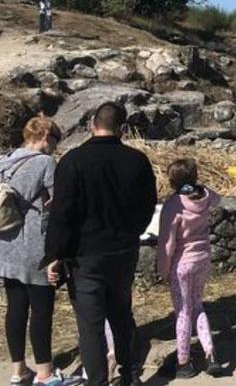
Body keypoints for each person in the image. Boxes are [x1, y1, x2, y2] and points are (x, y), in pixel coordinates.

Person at [43, 103, 157, 386]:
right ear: (122, 129)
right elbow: (148, 205)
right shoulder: (137, 160)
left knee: (91, 327)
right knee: (121, 315)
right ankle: (129, 375)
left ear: (92, 125)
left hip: (86, 256)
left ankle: (98, 381)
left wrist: (54, 254)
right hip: (123, 250)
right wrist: (133, 232)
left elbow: (62, 214)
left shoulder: (73, 161)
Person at [0, 117, 73, 386]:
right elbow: (60, 204)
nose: (55, 147)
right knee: (41, 311)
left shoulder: (5, 160)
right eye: (54, 140)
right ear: (44, 136)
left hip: (6, 244)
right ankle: (45, 373)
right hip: (35, 247)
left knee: (15, 308)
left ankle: (18, 371)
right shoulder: (44, 163)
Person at [156, 159, 222, 379]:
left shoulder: (174, 205)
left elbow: (167, 243)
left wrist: (162, 270)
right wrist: (200, 187)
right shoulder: (204, 196)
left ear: (172, 181)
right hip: (203, 258)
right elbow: (218, 198)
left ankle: (183, 362)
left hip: (182, 263)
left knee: (183, 312)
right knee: (197, 306)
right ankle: (210, 354)